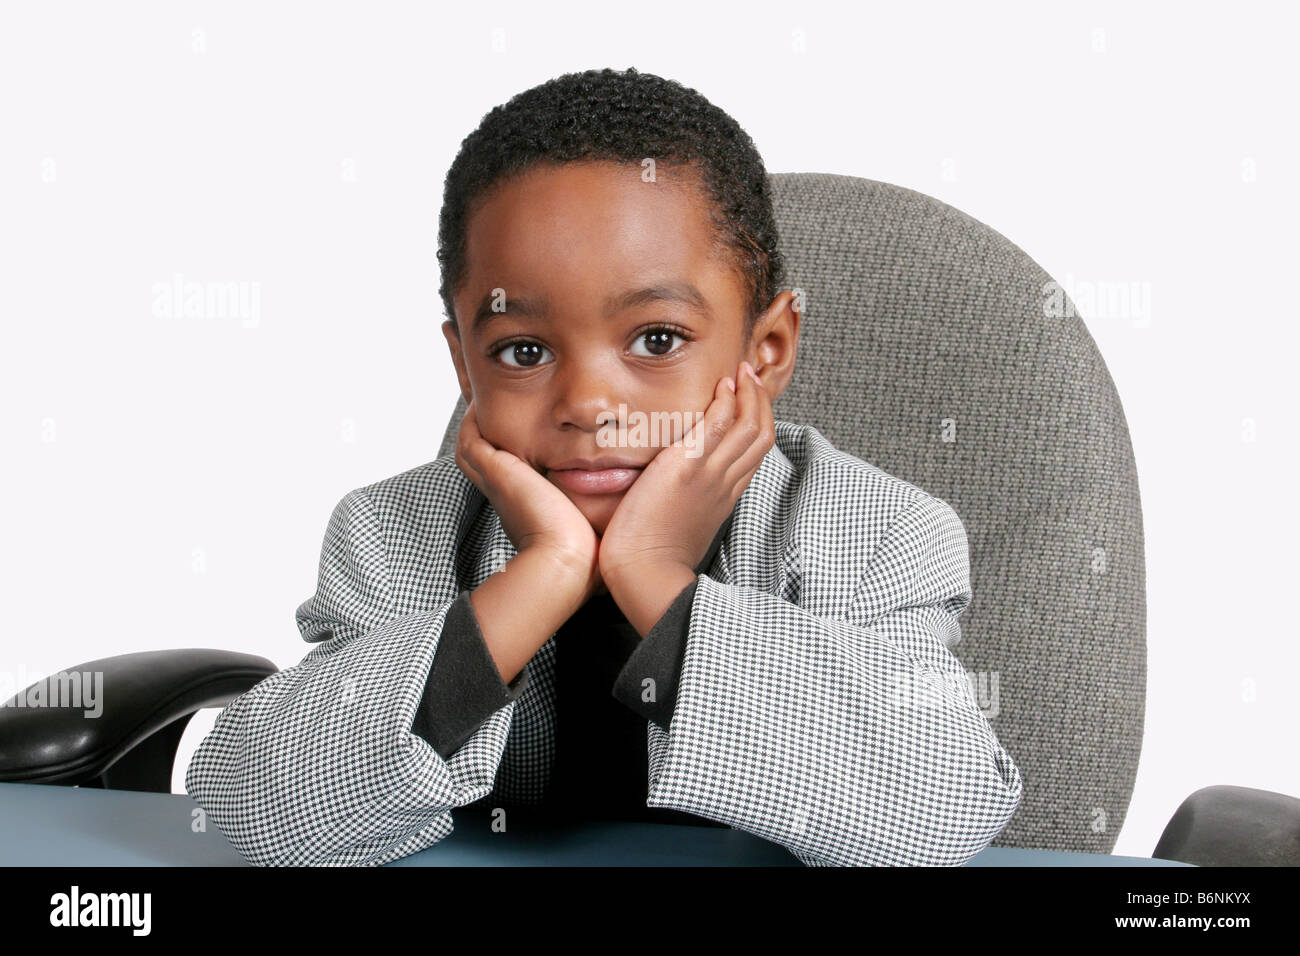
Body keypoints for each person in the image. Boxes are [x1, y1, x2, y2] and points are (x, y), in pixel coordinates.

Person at [185, 67, 1023, 866]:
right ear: (463, 364)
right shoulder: (390, 536)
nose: (588, 403)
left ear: (765, 351)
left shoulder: (880, 534)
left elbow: (941, 803)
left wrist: (654, 579)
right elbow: (259, 807)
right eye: (521, 350)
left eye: (657, 340)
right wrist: (539, 579)